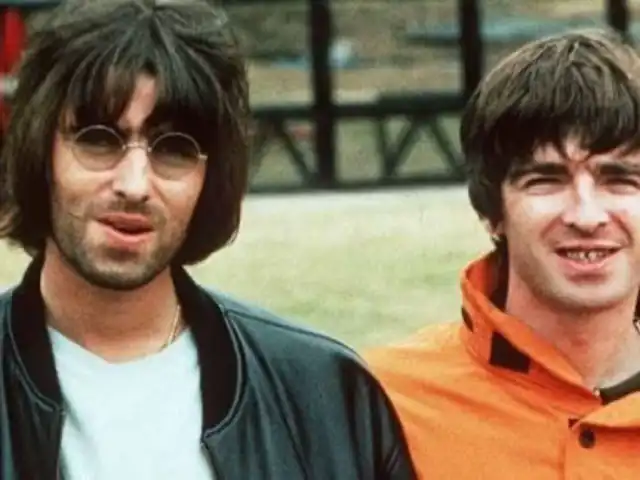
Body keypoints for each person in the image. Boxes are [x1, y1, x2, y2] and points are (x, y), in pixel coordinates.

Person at [0, 1, 416, 478]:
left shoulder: (322, 395)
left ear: (210, 176)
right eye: (99, 140)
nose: (134, 184)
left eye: (174, 150)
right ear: (40, 150)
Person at [367, 28, 640, 479]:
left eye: (620, 180)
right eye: (546, 180)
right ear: (492, 212)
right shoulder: (381, 401)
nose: (587, 216)